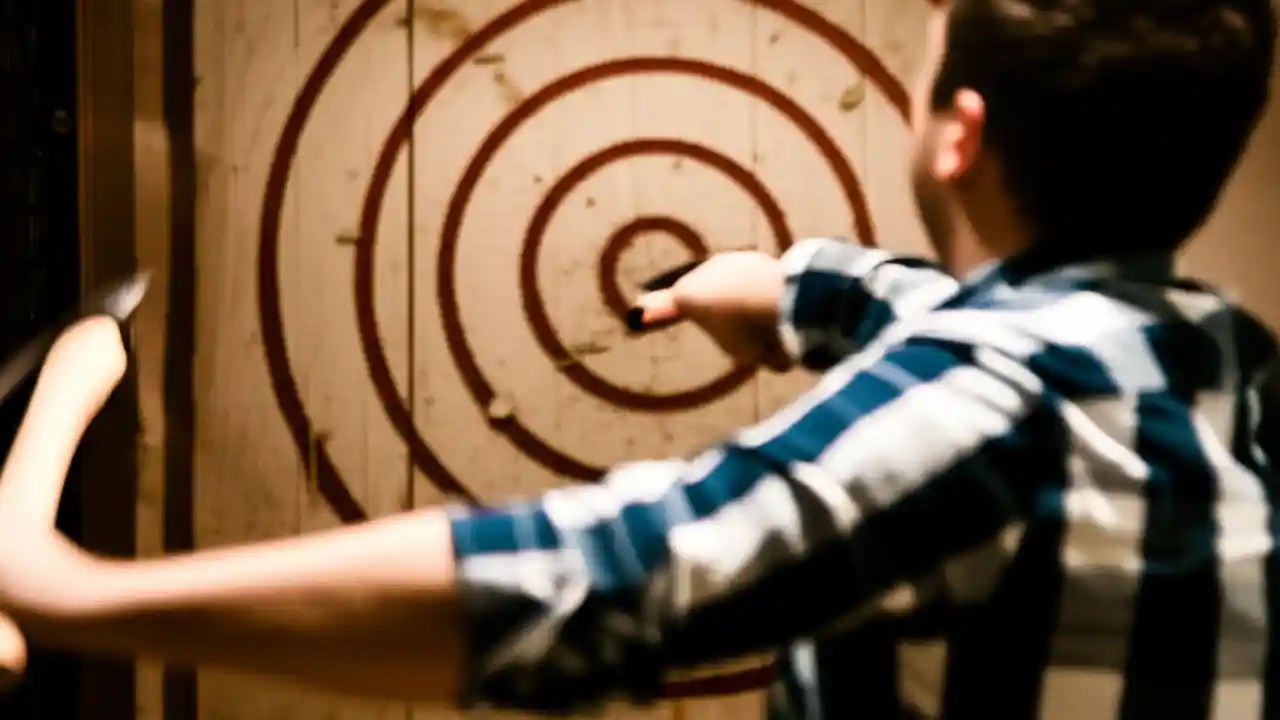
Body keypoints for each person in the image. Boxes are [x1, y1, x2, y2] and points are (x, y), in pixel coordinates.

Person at [0, 0, 1277, 717]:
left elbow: (608, 582)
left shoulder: (985, 407)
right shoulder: (1213, 366)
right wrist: (795, 289)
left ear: (958, 135)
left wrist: (64, 590)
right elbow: (1000, 348)